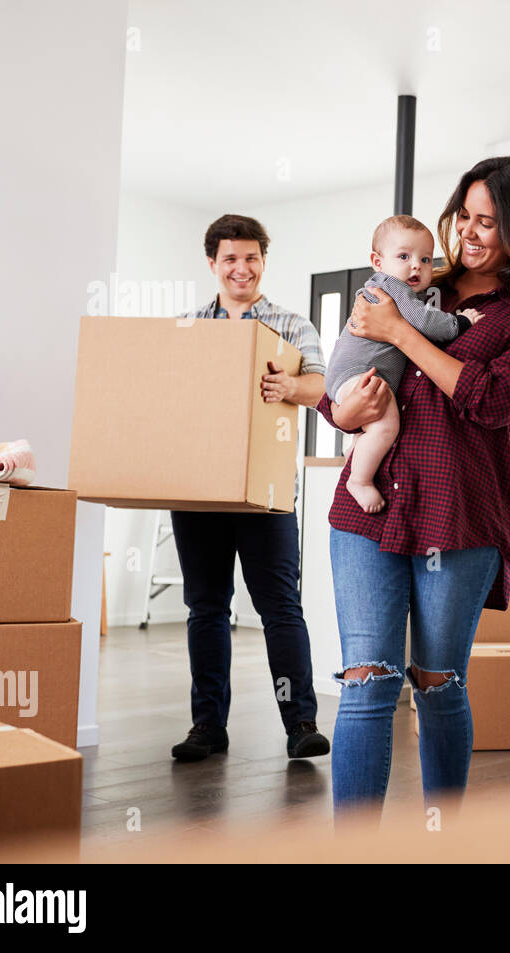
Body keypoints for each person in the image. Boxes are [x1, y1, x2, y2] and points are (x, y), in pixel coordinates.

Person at [316, 156, 510, 813]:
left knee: (437, 682)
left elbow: (493, 402)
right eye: (465, 214)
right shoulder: (415, 280)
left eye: (488, 221)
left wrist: (401, 332)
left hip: (460, 520)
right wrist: (338, 412)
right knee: (367, 681)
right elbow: (353, 378)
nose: (469, 230)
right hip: (369, 512)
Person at [169, 213, 331, 762]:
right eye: (231, 258)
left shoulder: (290, 324)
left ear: (264, 260)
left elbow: (321, 386)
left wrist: (292, 384)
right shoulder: (187, 325)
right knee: (206, 607)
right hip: (199, 491)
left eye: (252, 257)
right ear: (213, 264)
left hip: (266, 492)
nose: (242, 267)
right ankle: (207, 727)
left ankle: (300, 723)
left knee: (280, 607)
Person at [323, 214, 485, 513]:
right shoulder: (392, 288)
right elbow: (424, 321)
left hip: (347, 377)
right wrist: (460, 322)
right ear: (377, 261)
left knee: (375, 419)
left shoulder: (386, 288)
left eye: (425, 259)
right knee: (387, 425)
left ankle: (358, 446)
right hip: (356, 375)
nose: (416, 266)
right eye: (404, 256)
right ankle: (358, 479)